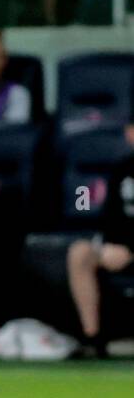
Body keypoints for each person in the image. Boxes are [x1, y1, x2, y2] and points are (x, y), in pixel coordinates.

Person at [66, 117, 134, 356]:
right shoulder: (123, 169)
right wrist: (108, 247)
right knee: (80, 252)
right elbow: (111, 217)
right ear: (129, 134)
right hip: (118, 248)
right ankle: (92, 337)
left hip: (130, 250)